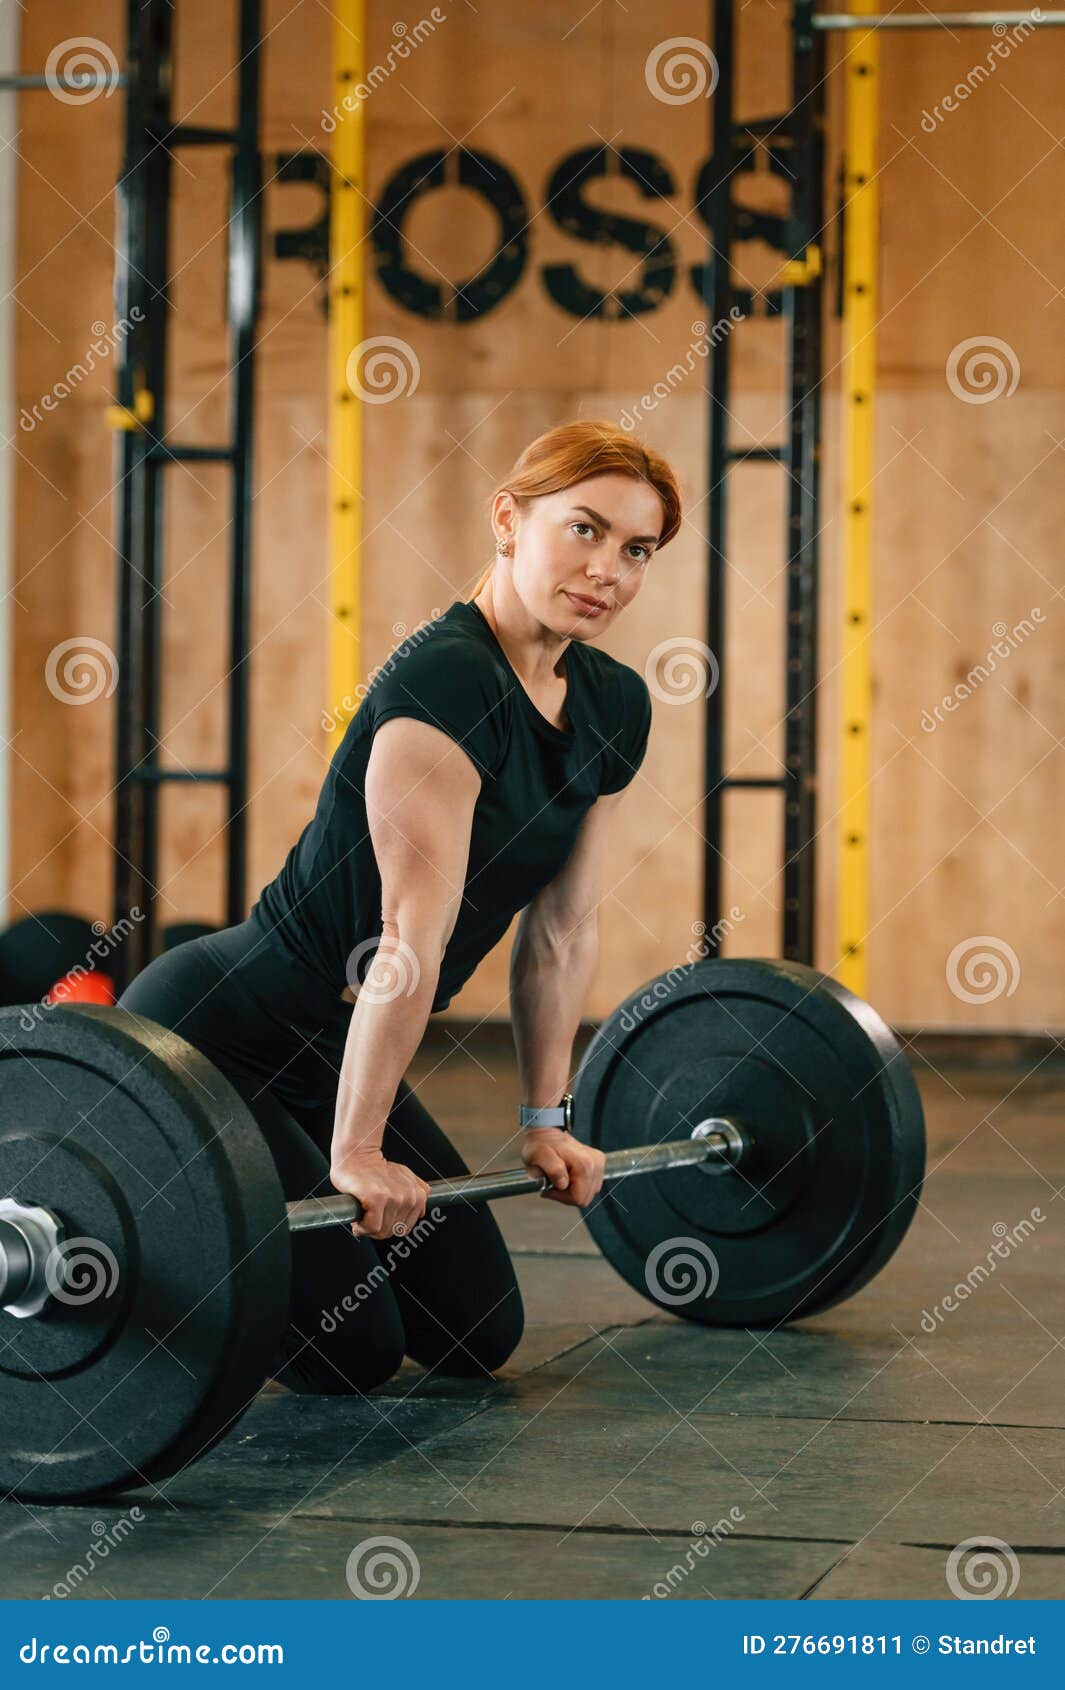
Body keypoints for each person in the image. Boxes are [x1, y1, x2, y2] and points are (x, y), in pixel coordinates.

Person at [118, 418, 683, 1396]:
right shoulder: (445, 678)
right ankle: (134, 1253)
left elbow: (560, 931)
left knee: (478, 1332)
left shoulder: (612, 704)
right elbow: (407, 944)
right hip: (222, 1037)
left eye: (637, 550)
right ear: (509, 520)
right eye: (583, 530)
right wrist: (357, 1150)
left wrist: (547, 1118)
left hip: (333, 1051)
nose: (608, 570)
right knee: (353, 1351)